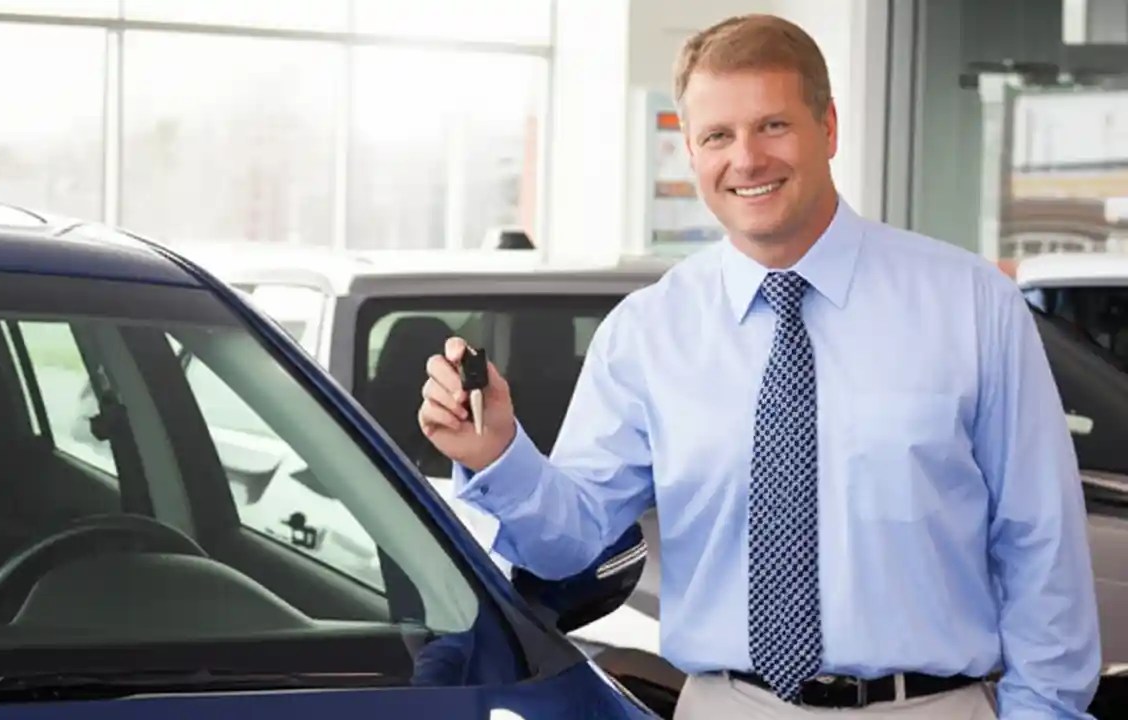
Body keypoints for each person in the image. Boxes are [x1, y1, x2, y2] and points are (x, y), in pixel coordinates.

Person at [416, 12, 1102, 720]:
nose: (746, 159)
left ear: (828, 128)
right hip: (726, 705)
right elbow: (574, 542)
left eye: (773, 125)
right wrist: (500, 454)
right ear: (690, 151)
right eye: (718, 135)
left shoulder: (970, 304)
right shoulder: (649, 333)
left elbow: (1040, 541)